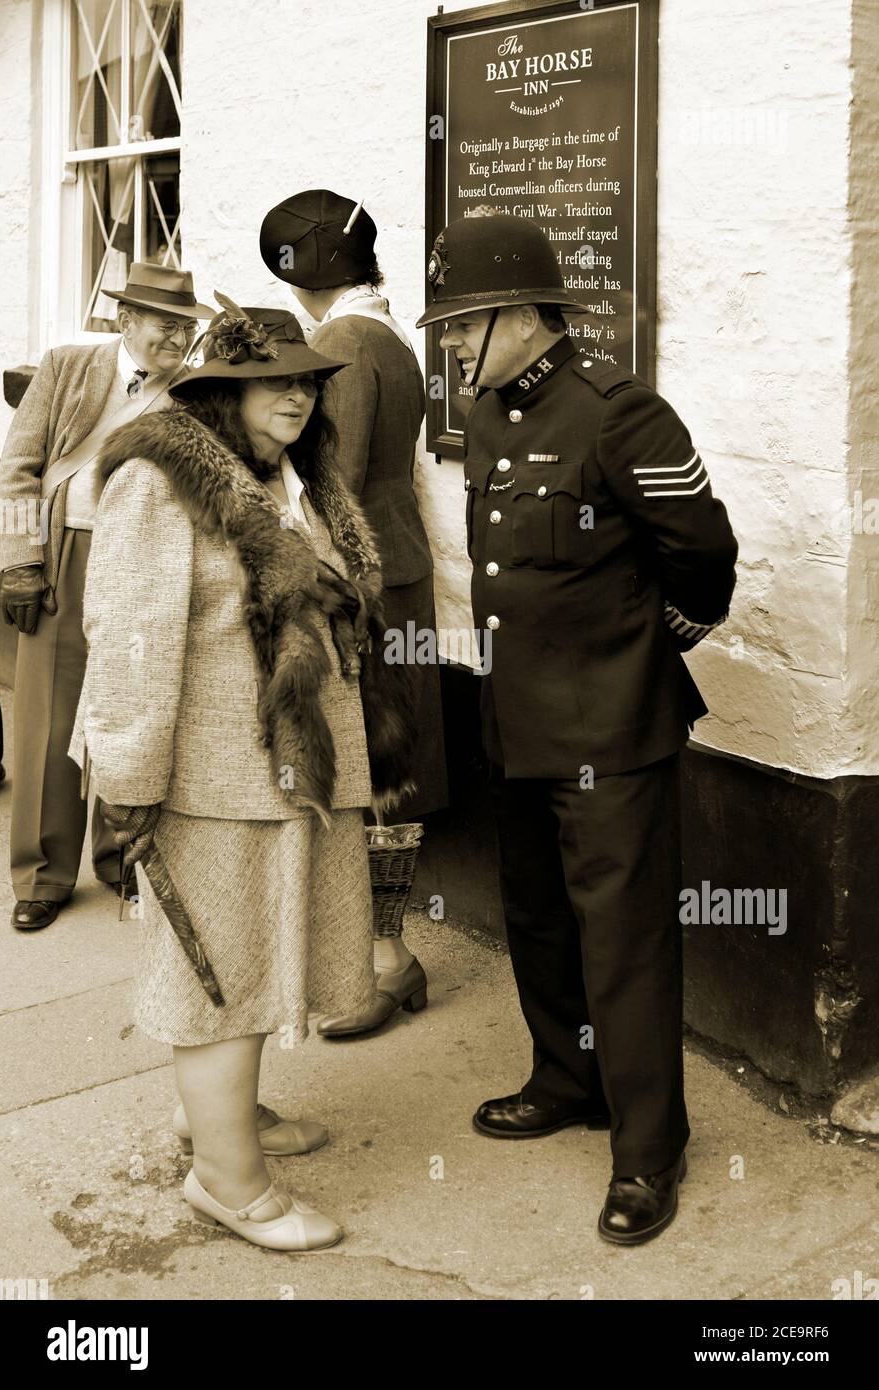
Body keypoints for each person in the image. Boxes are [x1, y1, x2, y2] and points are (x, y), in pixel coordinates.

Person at [416, 212, 739, 1245]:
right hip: (517, 717)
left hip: (611, 727)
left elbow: (704, 549)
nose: (453, 343)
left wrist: (657, 638)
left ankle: (649, 1151)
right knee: (540, 917)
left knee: (627, 941)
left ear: (525, 311)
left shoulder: (616, 410)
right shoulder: (497, 412)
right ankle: (568, 1078)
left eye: (466, 322)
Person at [68, 304, 415, 1251]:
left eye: (307, 380)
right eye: (276, 382)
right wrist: (131, 785)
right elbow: (131, 643)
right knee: (217, 975)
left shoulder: (292, 479)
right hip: (212, 778)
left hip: (286, 770)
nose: (299, 395)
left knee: (257, 954)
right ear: (221, 392)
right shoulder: (157, 482)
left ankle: (217, 1118)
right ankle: (228, 1182)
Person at [260, 189, 448, 1037]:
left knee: (376, 767)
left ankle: (385, 956)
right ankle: (385, 951)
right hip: (401, 573)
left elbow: (329, 486)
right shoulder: (389, 335)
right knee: (393, 765)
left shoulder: (339, 341)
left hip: (362, 585)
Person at [0, 262, 214, 931]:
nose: (178, 336)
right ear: (125, 321)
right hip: (63, 552)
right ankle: (41, 875)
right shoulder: (67, 367)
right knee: (48, 722)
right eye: (165, 323)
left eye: (186, 325)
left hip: (145, 562)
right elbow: (18, 468)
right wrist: (17, 562)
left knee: (131, 709)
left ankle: (125, 861)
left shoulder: (196, 393)